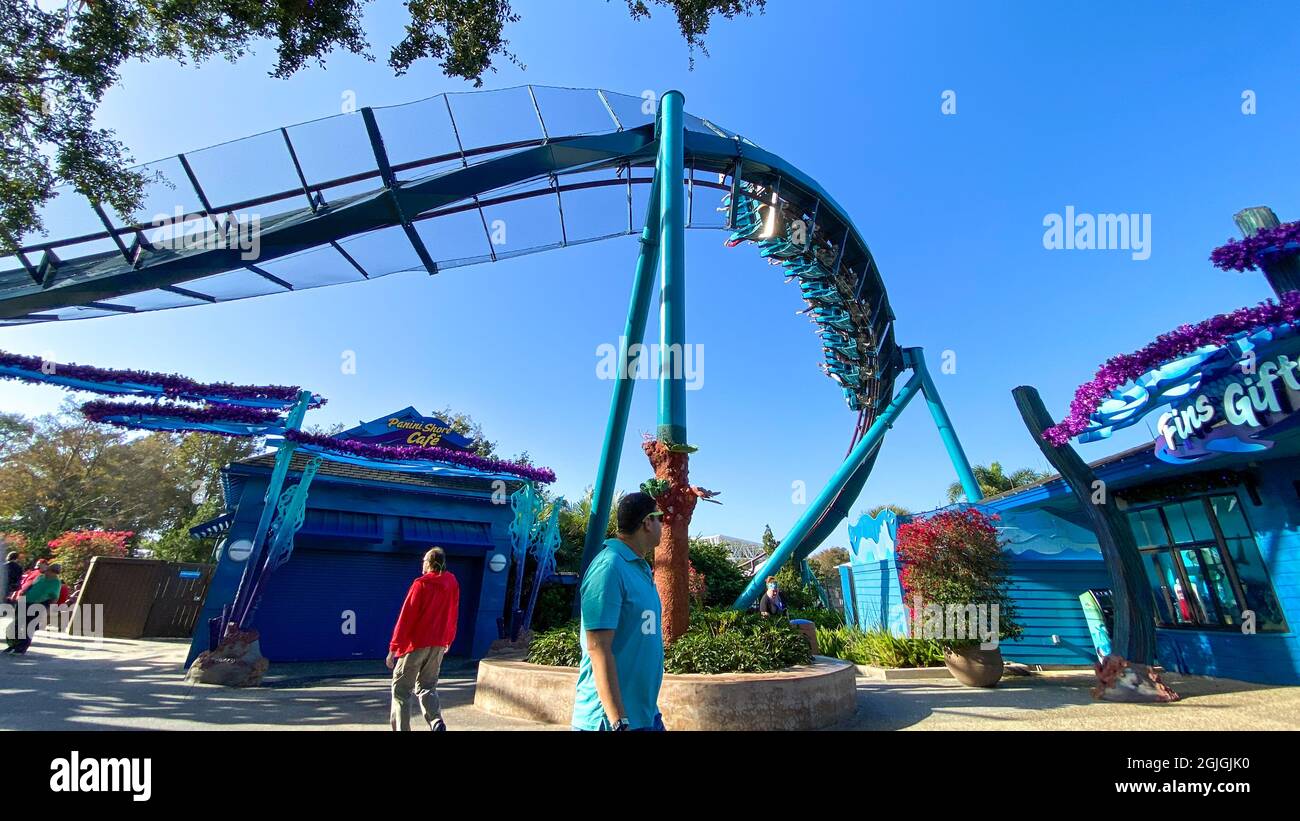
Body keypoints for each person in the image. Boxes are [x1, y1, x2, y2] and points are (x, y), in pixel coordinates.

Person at [572, 491, 666, 732]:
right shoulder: (609, 567)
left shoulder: (640, 569)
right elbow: (597, 646)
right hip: (609, 721)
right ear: (647, 522)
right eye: (660, 517)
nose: (663, 524)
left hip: (646, 715)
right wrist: (618, 721)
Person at [387, 547, 459, 731]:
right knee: (428, 686)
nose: (423, 563)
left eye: (425, 560)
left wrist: (394, 648)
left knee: (401, 691)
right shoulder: (451, 583)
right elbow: (453, 612)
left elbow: (407, 616)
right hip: (438, 644)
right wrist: (448, 639)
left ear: (432, 563)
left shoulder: (421, 584)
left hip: (417, 644)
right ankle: (436, 721)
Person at [5, 563, 62, 655]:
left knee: (28, 627)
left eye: (49, 571)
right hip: (25, 601)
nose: (46, 572)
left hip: (38, 605)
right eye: (47, 570)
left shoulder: (56, 582)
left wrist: (48, 610)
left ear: (54, 573)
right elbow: (31, 585)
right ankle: (13, 645)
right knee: (17, 625)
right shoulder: (41, 577)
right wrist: (23, 592)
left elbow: (54, 598)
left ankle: (21, 648)